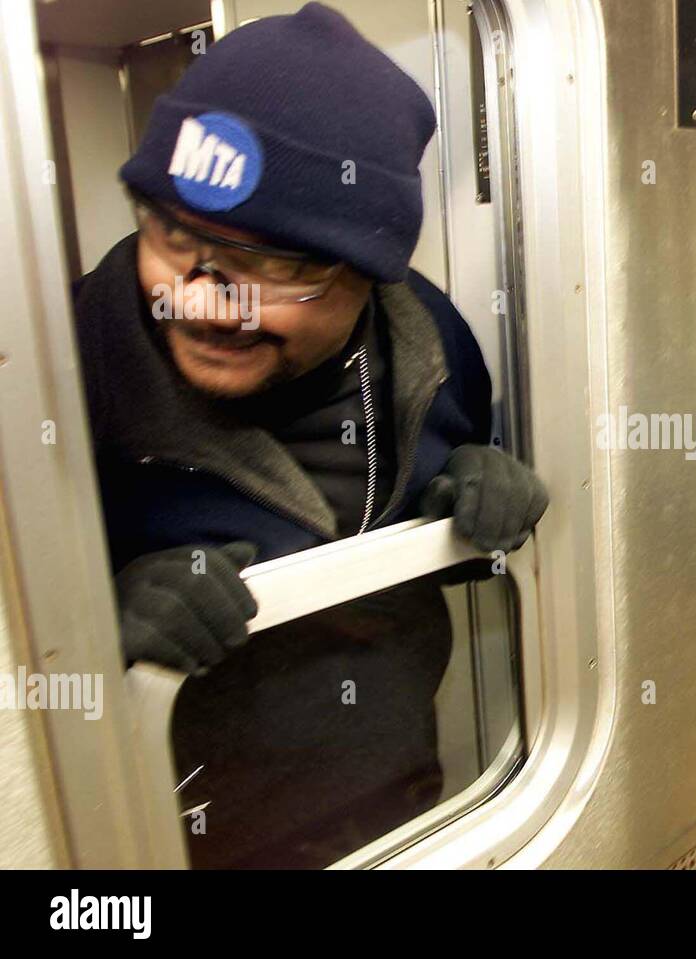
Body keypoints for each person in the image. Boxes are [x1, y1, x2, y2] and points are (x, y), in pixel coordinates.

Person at [71, 3, 547, 865]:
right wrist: (91, 623)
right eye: (177, 236)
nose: (209, 300)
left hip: (413, 818)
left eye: (282, 266)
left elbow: (461, 498)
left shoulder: (428, 346)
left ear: (369, 278)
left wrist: (480, 504)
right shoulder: (58, 377)